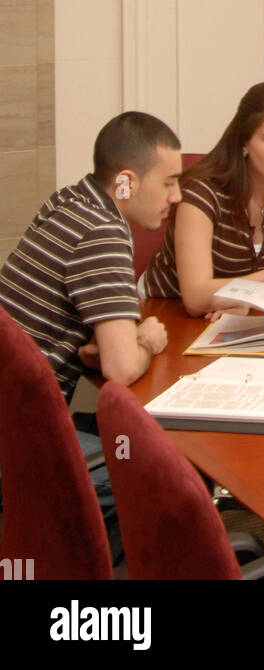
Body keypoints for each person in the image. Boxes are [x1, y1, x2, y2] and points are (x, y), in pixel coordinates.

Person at [0, 111, 181, 563]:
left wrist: (113, 342)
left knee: (122, 441)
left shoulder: (67, 201)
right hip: (15, 443)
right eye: (169, 182)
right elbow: (121, 368)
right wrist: (146, 341)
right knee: (151, 476)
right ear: (125, 183)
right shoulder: (103, 231)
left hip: (9, 419)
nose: (176, 196)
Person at [140, 81, 264, 316]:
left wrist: (247, 302)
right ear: (244, 142)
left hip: (238, 315)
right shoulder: (200, 193)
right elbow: (196, 297)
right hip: (164, 311)